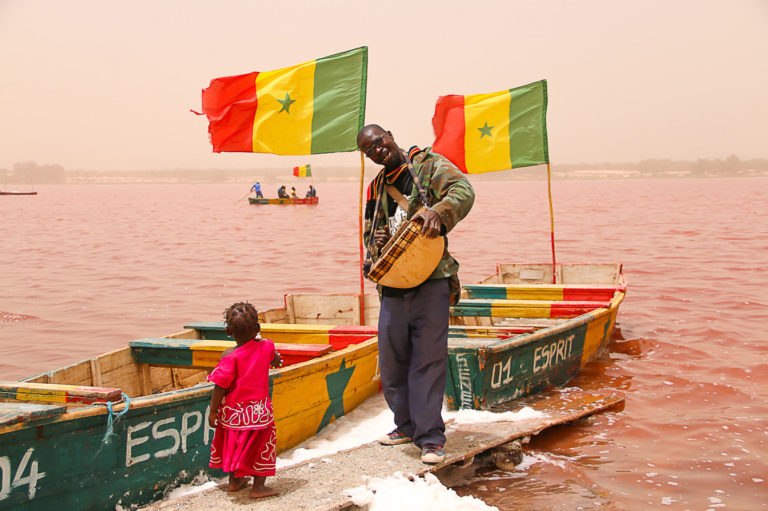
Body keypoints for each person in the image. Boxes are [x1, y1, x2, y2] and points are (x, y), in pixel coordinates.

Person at [357, 124, 474, 465]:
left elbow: (463, 190)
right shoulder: (376, 187)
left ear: (390, 135)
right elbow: (369, 232)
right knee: (392, 362)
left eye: (379, 142)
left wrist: (438, 211)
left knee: (428, 360)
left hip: (431, 278)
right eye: (370, 150)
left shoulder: (428, 166)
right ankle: (406, 425)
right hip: (393, 283)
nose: (378, 150)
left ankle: (431, 437)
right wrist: (376, 245)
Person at [207, 301, 283, 498]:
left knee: (235, 446)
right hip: (259, 413)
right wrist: (276, 360)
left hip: (233, 414)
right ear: (258, 328)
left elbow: (220, 386)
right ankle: (258, 487)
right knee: (261, 447)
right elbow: (275, 358)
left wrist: (213, 411)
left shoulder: (229, 356)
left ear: (228, 331)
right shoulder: (267, 346)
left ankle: (235, 481)